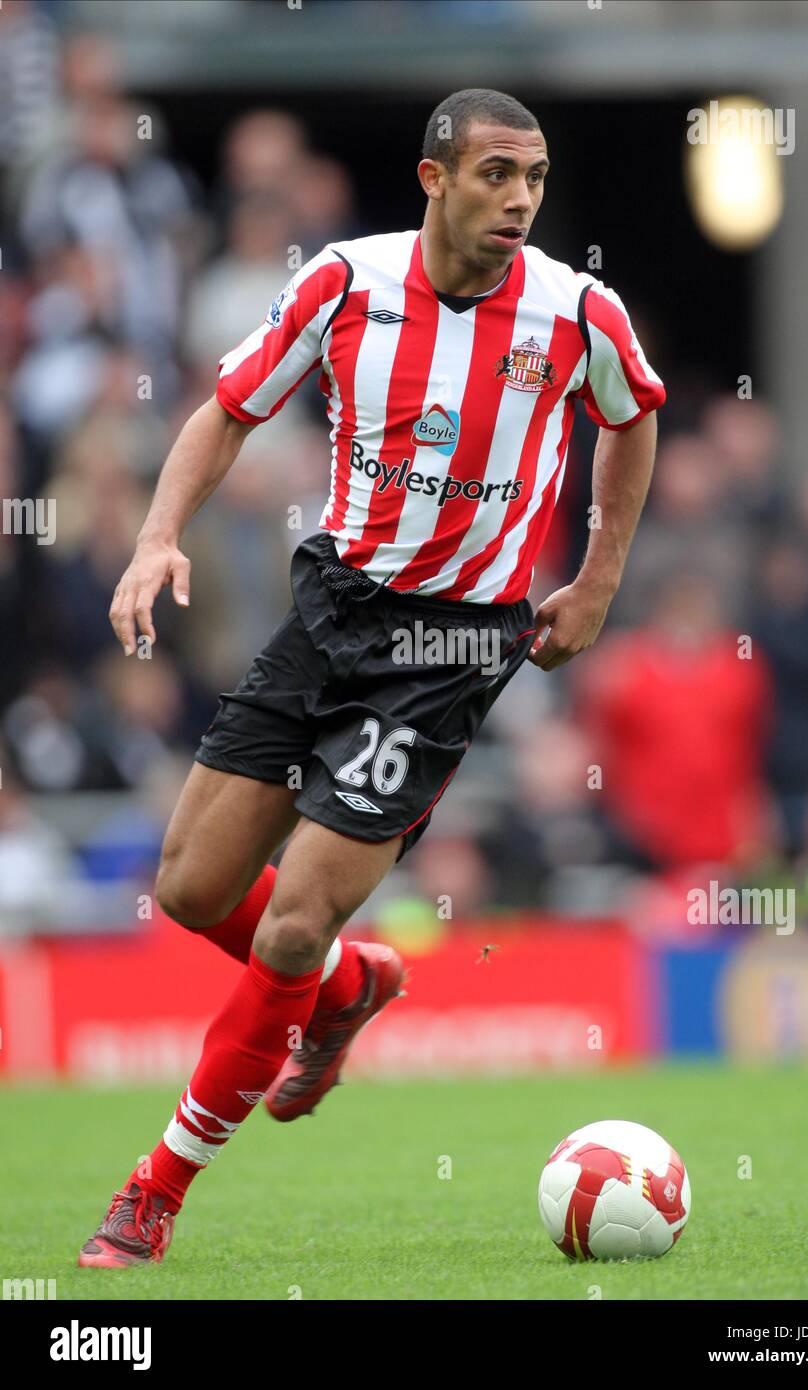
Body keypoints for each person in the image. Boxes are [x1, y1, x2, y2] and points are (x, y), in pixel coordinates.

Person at [79, 88, 665, 1267]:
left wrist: (597, 580)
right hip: (331, 609)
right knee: (192, 890)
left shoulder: (576, 312)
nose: (518, 200)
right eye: (495, 174)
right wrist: (157, 536)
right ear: (433, 178)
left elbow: (631, 415)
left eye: (535, 178)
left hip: (449, 653)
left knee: (288, 926)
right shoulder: (344, 282)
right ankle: (348, 985)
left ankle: (156, 1186)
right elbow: (225, 411)